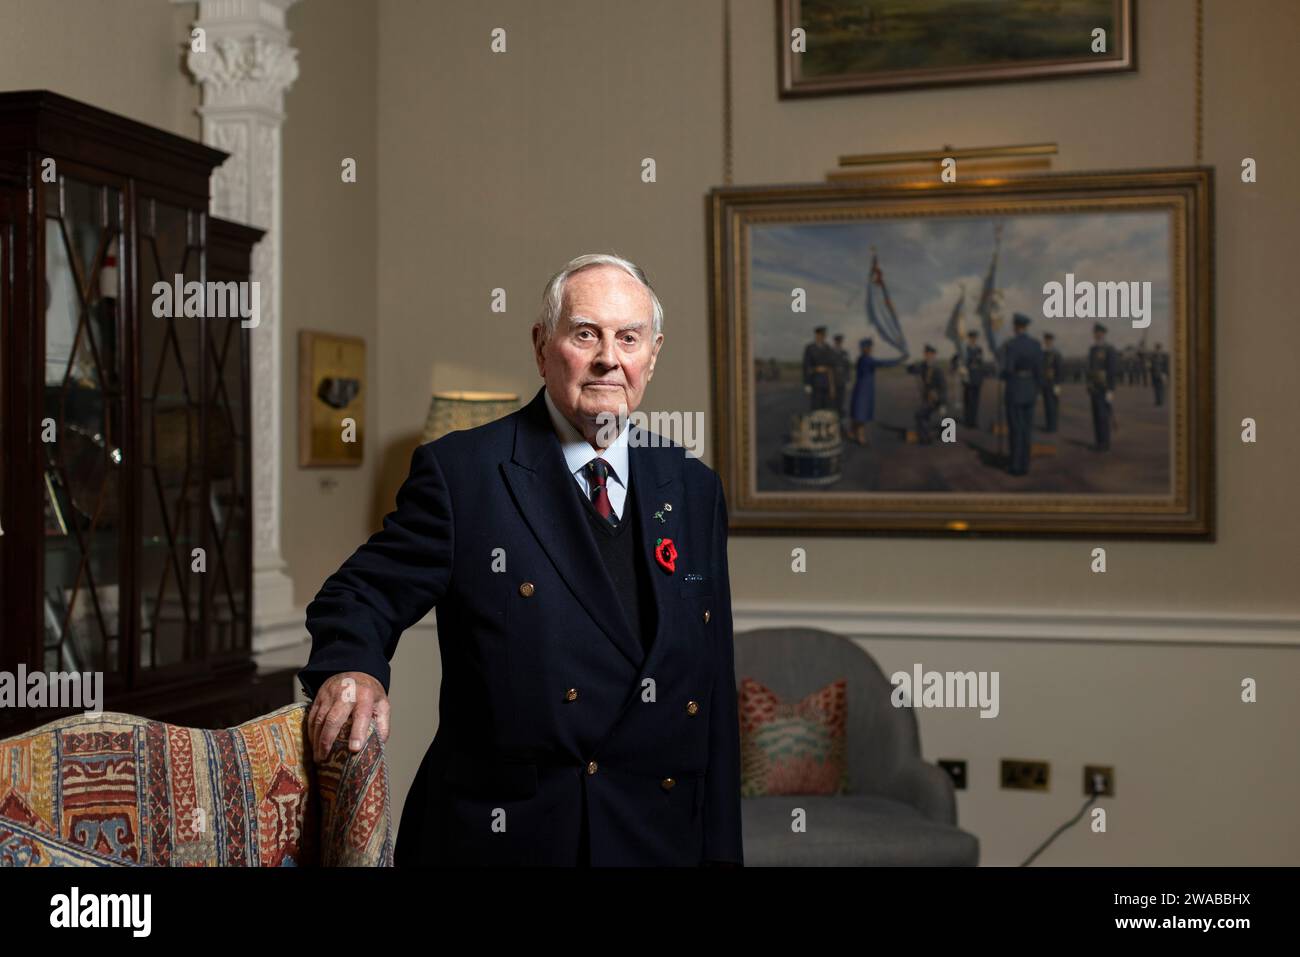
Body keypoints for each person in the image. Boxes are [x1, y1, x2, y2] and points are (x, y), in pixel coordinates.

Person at [299, 253, 742, 867]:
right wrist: (357, 669)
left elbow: (712, 691)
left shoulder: (693, 486)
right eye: (585, 333)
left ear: (653, 353)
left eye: (629, 338)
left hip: (655, 836)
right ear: (542, 345)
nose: (608, 357)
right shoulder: (465, 475)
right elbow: (360, 594)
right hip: (509, 836)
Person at [999, 314, 1043, 476]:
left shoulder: (1012, 345)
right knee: (1026, 429)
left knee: (1016, 429)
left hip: (1015, 389)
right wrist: (1037, 390)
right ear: (1026, 327)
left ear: (1015, 327)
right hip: (1030, 390)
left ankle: (1016, 465)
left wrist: (1001, 373)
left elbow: (1008, 369)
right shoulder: (1035, 344)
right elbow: (1040, 371)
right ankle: (1025, 463)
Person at [848, 337, 906, 445]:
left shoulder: (861, 358)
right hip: (864, 390)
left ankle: (852, 433)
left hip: (860, 387)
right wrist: (899, 360)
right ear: (864, 348)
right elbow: (884, 363)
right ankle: (861, 438)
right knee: (861, 413)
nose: (870, 349)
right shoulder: (867, 359)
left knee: (857, 412)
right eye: (868, 347)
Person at [1086, 322, 1119, 451]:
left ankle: (1105, 444)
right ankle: (1098, 442)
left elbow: (1112, 370)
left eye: (1099, 332)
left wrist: (1111, 389)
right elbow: (1090, 369)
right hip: (1094, 387)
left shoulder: (1109, 349)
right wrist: (1088, 384)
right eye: (1095, 332)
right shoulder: (1092, 349)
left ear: (1103, 334)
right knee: (1095, 416)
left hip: (1104, 388)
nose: (1096, 335)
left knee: (1103, 416)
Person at [906, 344, 947, 444]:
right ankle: (928, 435)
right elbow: (912, 370)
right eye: (926, 354)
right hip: (927, 397)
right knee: (924, 416)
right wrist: (910, 364)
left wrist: (942, 403)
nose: (927, 356)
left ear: (933, 355)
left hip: (935, 398)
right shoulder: (923, 366)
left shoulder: (937, 369)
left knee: (920, 415)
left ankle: (926, 438)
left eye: (930, 354)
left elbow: (943, 387)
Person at [951, 330, 986, 428]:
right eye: (972, 338)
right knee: (968, 400)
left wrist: (982, 375)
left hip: (977, 378)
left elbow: (981, 363)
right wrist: (958, 368)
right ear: (969, 338)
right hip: (968, 377)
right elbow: (954, 360)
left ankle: (974, 421)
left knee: (976, 400)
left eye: (975, 338)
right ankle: (968, 421)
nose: (973, 339)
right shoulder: (964, 350)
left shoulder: (979, 349)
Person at [802, 326, 837, 412]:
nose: (822, 337)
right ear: (816, 335)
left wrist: (832, 386)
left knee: (826, 407)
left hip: (826, 382)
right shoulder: (810, 348)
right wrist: (807, 383)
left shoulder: (828, 348)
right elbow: (806, 366)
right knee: (816, 407)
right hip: (815, 381)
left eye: (823, 335)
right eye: (820, 335)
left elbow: (831, 368)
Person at [1040, 331, 1062, 433]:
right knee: (1047, 405)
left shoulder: (1056, 354)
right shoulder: (1043, 354)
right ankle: (1049, 425)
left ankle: (1053, 426)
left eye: (1049, 340)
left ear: (1052, 341)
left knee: (1053, 405)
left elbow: (1059, 369)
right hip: (1045, 383)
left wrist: (1058, 384)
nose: (1047, 342)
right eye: (1046, 340)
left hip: (1053, 383)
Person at [832, 333, 852, 433]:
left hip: (842, 382)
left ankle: (842, 427)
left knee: (842, 404)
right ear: (834, 342)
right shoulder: (830, 353)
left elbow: (848, 367)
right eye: (837, 341)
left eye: (840, 341)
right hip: (832, 382)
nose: (839, 343)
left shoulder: (845, 353)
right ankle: (833, 426)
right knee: (832, 404)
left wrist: (848, 380)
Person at [1150, 342, 1168, 407]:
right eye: (1156, 348)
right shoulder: (1153, 357)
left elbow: (1166, 366)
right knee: (1156, 388)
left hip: (1161, 374)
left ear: (1160, 348)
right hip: (1154, 375)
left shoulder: (1164, 356)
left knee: (1161, 388)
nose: (1157, 349)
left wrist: (1165, 374)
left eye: (1158, 348)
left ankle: (1161, 401)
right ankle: (1157, 400)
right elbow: (1151, 367)